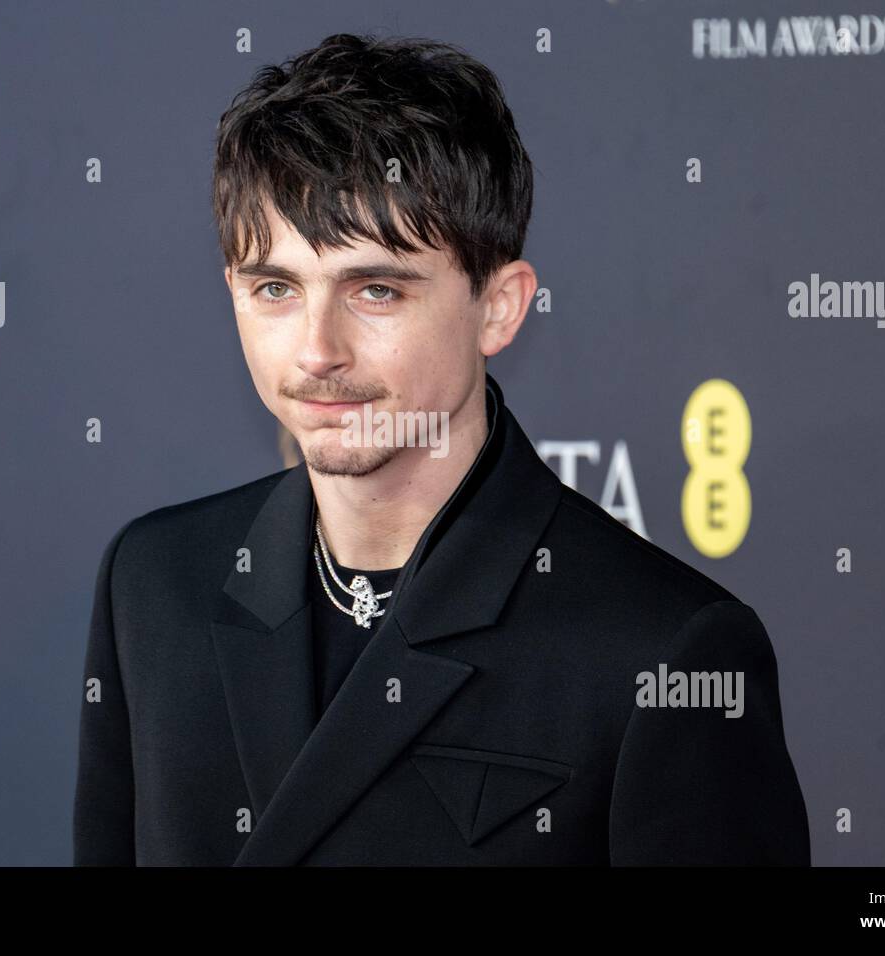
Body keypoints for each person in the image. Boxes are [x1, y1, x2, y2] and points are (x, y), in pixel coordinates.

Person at [73, 32, 810, 866]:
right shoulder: (155, 584)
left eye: (376, 289)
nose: (317, 350)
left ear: (498, 308)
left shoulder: (663, 649)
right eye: (275, 288)